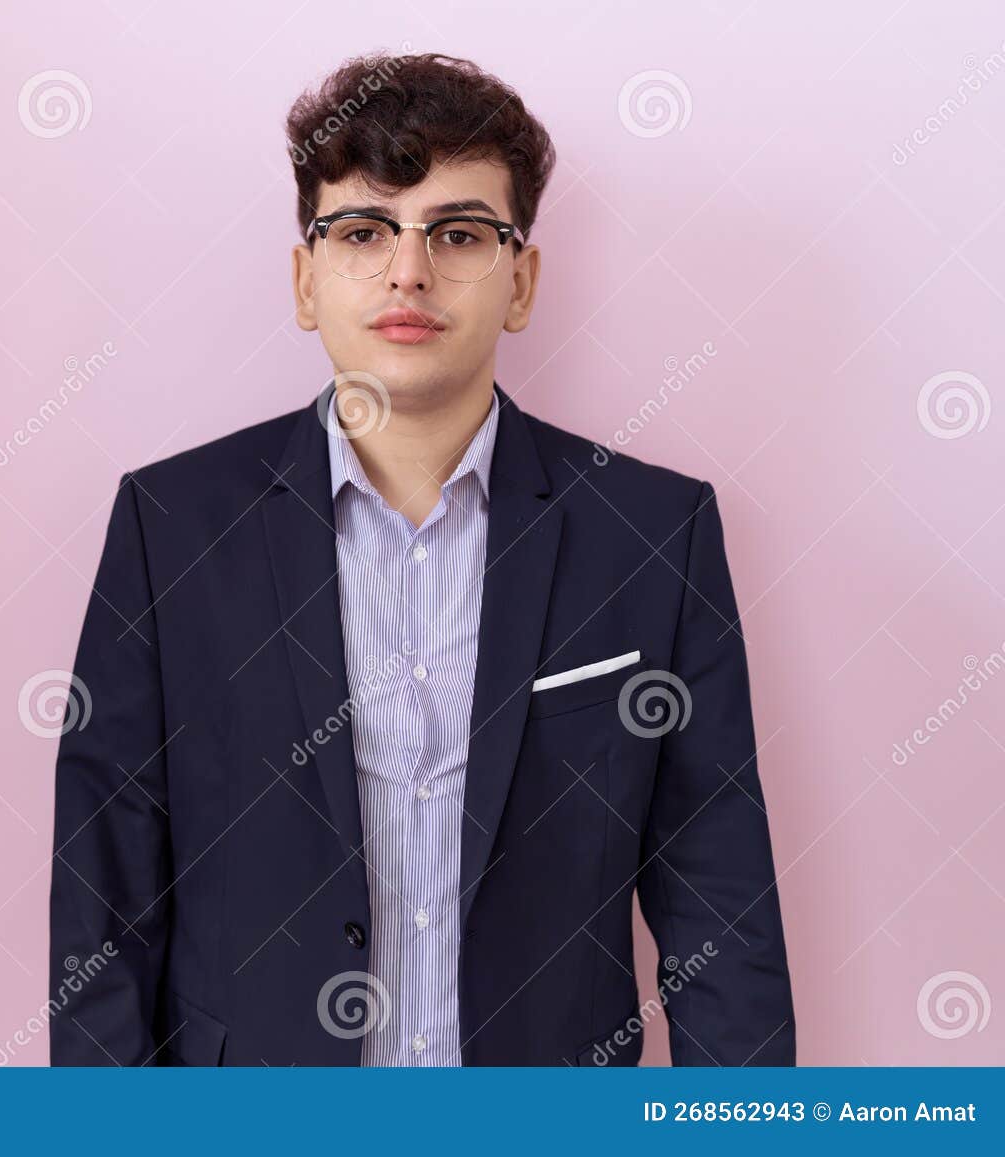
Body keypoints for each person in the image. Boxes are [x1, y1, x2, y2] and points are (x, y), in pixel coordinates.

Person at [49, 51, 794, 1066]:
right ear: (306, 279)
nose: (409, 270)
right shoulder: (172, 525)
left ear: (520, 280)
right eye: (362, 232)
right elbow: (106, 891)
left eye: (458, 233)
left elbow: (721, 906)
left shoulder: (649, 534)